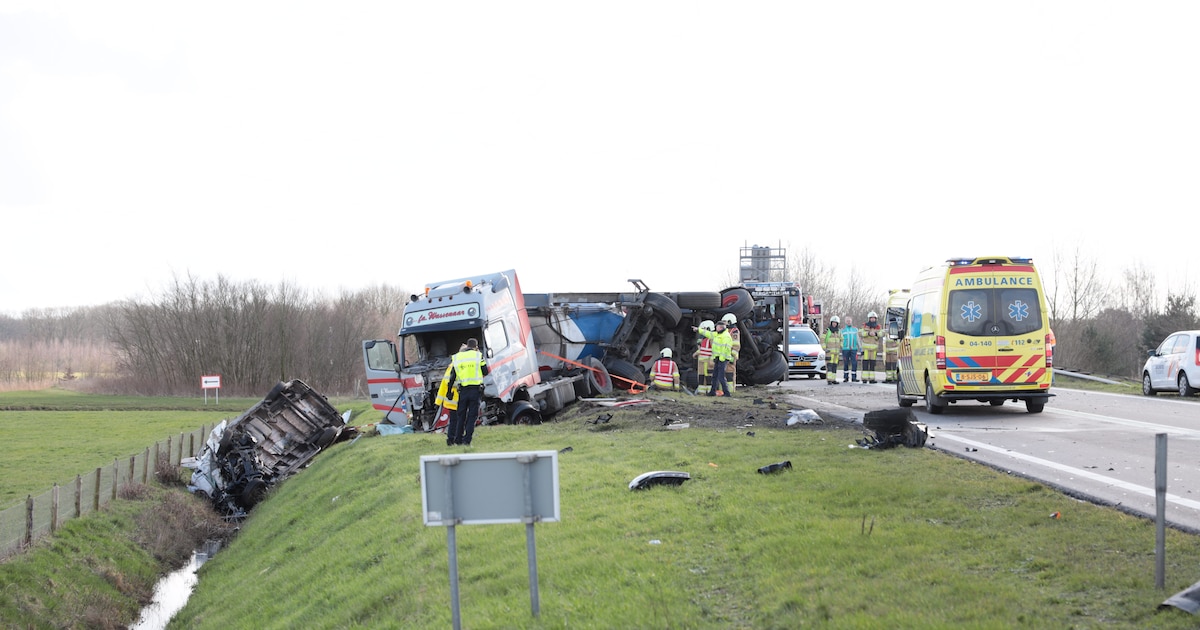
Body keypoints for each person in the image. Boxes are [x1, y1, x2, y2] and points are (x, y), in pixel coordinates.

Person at [444, 337, 488, 446]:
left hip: (462, 391)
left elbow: (452, 377)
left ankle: (458, 440)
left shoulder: (457, 357)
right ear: (476, 347)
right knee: (472, 417)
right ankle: (467, 440)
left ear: (467, 346)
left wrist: (449, 391)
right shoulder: (478, 355)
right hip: (475, 390)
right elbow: (485, 371)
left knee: (461, 416)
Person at [694, 319, 733, 397]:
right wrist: (698, 329)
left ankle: (727, 393)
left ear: (721, 327)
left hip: (722, 359)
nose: (716, 328)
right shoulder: (717, 334)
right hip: (717, 358)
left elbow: (726, 349)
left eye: (717, 327)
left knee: (721, 377)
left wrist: (721, 359)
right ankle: (712, 391)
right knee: (715, 376)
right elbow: (708, 333)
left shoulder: (726, 336)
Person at [692, 320, 716, 395]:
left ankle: (710, 392)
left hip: (708, 362)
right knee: (701, 377)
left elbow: (715, 350)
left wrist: (712, 360)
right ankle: (701, 392)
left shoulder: (712, 339)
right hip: (702, 361)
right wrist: (696, 353)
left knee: (708, 377)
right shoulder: (704, 339)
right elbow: (702, 349)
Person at [721, 313, 741, 391]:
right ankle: (723, 390)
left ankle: (730, 390)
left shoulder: (734, 331)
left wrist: (732, 356)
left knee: (730, 374)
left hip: (730, 356)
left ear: (730, 322)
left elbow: (736, 345)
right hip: (724, 355)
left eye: (725, 322)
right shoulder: (726, 331)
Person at [861, 311, 882, 384]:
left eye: (874, 318)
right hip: (866, 349)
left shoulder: (878, 326)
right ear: (869, 319)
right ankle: (864, 378)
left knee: (872, 364)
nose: (873, 319)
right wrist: (868, 333)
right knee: (865, 363)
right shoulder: (865, 326)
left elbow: (882, 333)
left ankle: (872, 379)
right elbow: (861, 333)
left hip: (874, 349)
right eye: (871, 318)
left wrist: (876, 333)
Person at [840, 315, 862, 383]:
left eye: (849, 321)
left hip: (854, 349)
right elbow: (840, 340)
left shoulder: (855, 329)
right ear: (845, 322)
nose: (848, 322)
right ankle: (846, 377)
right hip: (845, 349)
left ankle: (854, 377)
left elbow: (858, 340)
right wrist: (841, 347)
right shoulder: (842, 330)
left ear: (851, 321)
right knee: (846, 363)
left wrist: (860, 348)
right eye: (847, 321)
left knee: (854, 363)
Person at [823, 315, 843, 384]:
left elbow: (842, 340)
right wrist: (825, 349)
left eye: (836, 323)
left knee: (834, 366)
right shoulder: (827, 331)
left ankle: (833, 379)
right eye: (833, 322)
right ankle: (829, 380)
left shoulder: (839, 332)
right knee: (829, 366)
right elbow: (822, 340)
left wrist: (841, 346)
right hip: (829, 352)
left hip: (836, 353)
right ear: (831, 323)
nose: (834, 324)